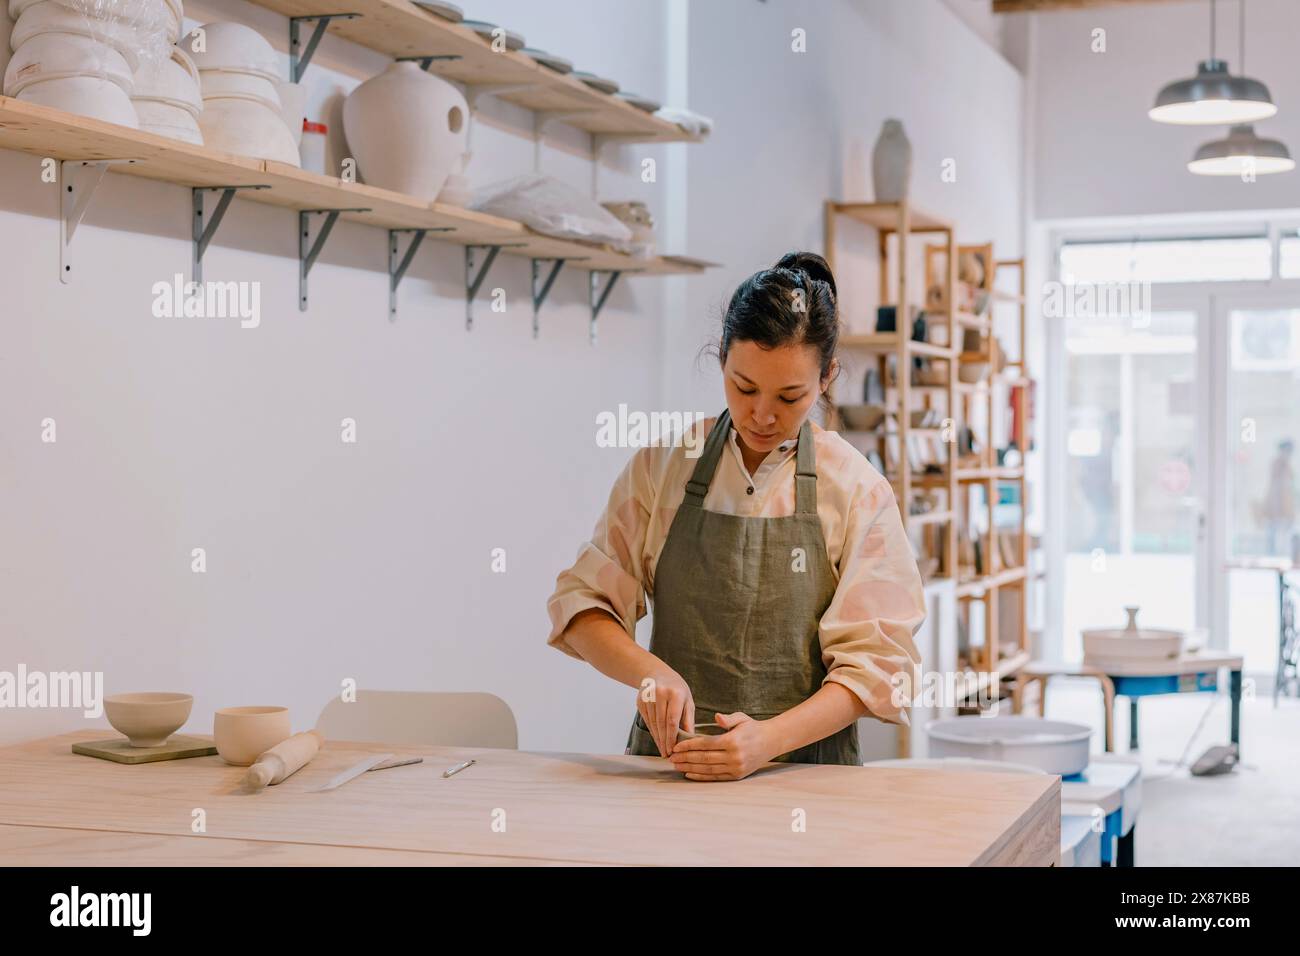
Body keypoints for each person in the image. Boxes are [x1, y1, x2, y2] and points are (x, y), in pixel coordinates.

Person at [545, 251, 926, 781]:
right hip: (673, 775)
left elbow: (879, 667)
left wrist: (767, 741)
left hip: (806, 780)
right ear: (721, 356)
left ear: (827, 377)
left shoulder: (857, 488)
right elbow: (583, 607)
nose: (763, 415)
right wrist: (651, 675)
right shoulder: (663, 468)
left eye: (790, 396)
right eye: (744, 387)